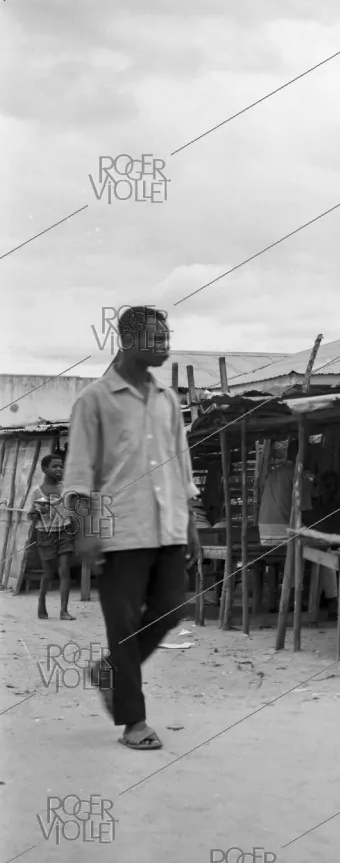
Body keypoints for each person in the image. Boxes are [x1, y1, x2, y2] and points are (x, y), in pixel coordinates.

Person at [63, 306, 201, 752]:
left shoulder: (168, 399)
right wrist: (86, 530)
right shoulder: (95, 399)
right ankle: (134, 722)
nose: (165, 344)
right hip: (118, 527)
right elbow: (80, 471)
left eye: (166, 336)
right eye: (155, 338)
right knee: (122, 626)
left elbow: (181, 465)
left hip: (168, 525)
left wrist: (190, 521)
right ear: (126, 340)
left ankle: (109, 672)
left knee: (171, 609)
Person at [29, 453, 75, 621]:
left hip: (64, 532)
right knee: (48, 573)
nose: (59, 469)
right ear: (44, 469)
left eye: (61, 466)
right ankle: (41, 602)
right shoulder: (37, 492)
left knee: (64, 570)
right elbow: (31, 516)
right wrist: (39, 511)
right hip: (45, 534)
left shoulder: (66, 489)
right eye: (54, 466)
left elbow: (72, 511)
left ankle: (64, 611)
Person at [257, 438, 314, 542]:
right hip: (283, 533)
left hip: (264, 532)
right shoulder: (298, 477)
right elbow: (306, 513)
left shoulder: (275, 473)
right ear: (304, 456)